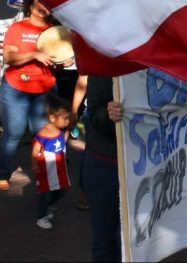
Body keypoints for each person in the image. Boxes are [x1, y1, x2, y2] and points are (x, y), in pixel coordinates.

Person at [0, 0, 57, 190]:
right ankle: (2, 174)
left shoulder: (54, 31)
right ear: (30, 5)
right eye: (39, 2)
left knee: (42, 134)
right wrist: (34, 54)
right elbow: (10, 58)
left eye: (47, 3)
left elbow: (58, 58)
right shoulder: (18, 28)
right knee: (13, 133)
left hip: (44, 90)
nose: (43, 7)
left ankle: (42, 175)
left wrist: (65, 61)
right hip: (16, 89)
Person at [83, 76, 122, 261]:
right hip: (106, 163)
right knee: (105, 238)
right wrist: (108, 115)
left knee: (138, 238)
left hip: (146, 164)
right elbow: (93, 114)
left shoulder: (159, 61)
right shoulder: (105, 64)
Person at [32, 94, 71, 230]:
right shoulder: (44, 132)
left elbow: (61, 141)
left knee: (62, 190)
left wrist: (67, 135)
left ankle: (48, 205)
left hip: (59, 167)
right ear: (52, 118)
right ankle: (41, 217)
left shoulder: (61, 130)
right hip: (47, 167)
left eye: (68, 118)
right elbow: (35, 149)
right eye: (65, 118)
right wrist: (34, 163)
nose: (67, 121)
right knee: (45, 192)